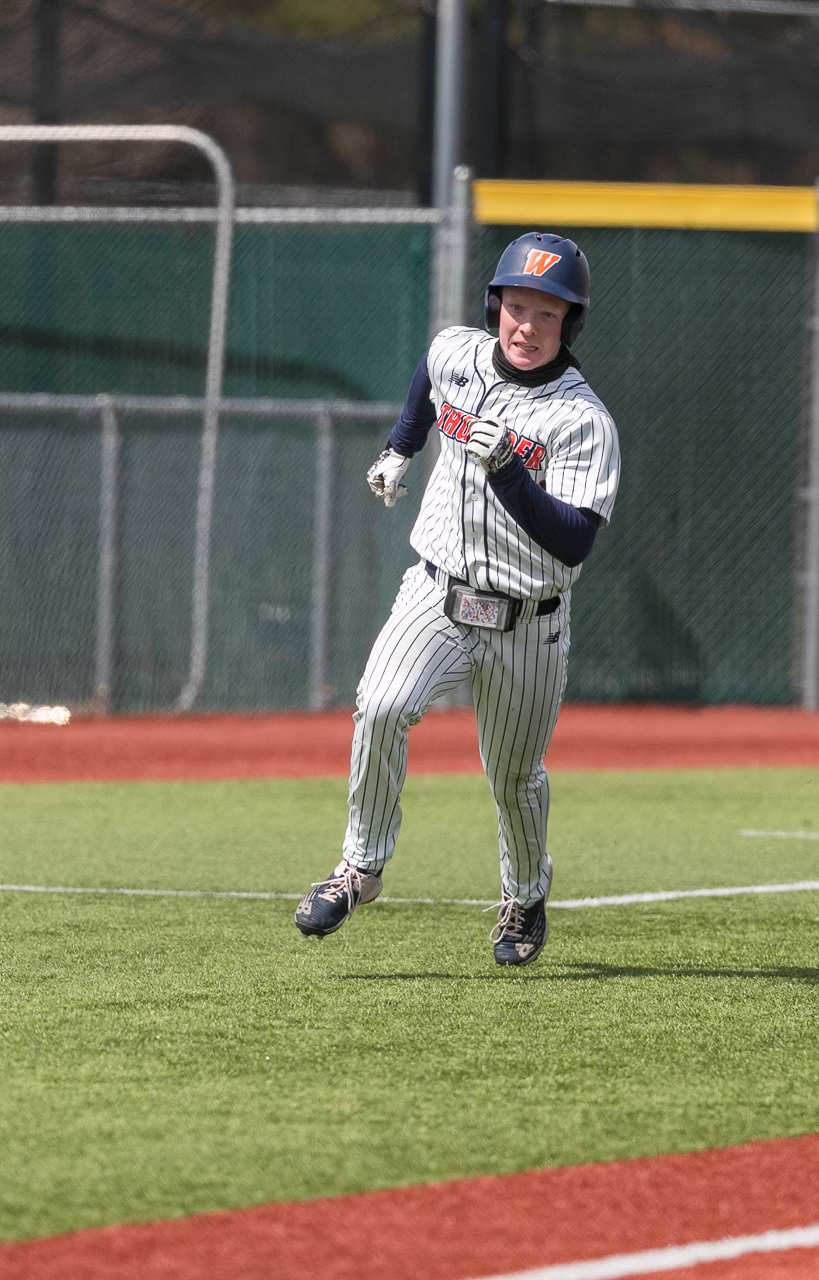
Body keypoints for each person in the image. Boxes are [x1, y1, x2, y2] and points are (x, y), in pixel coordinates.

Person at [294, 233, 621, 966]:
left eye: (547, 313)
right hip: (438, 590)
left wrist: (508, 470)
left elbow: (573, 541)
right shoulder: (458, 353)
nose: (527, 326)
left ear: (571, 323)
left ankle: (524, 898)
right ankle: (359, 868)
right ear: (494, 305)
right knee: (382, 705)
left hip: (528, 619)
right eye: (517, 308)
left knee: (514, 776)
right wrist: (398, 447)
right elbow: (427, 375)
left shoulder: (582, 421)